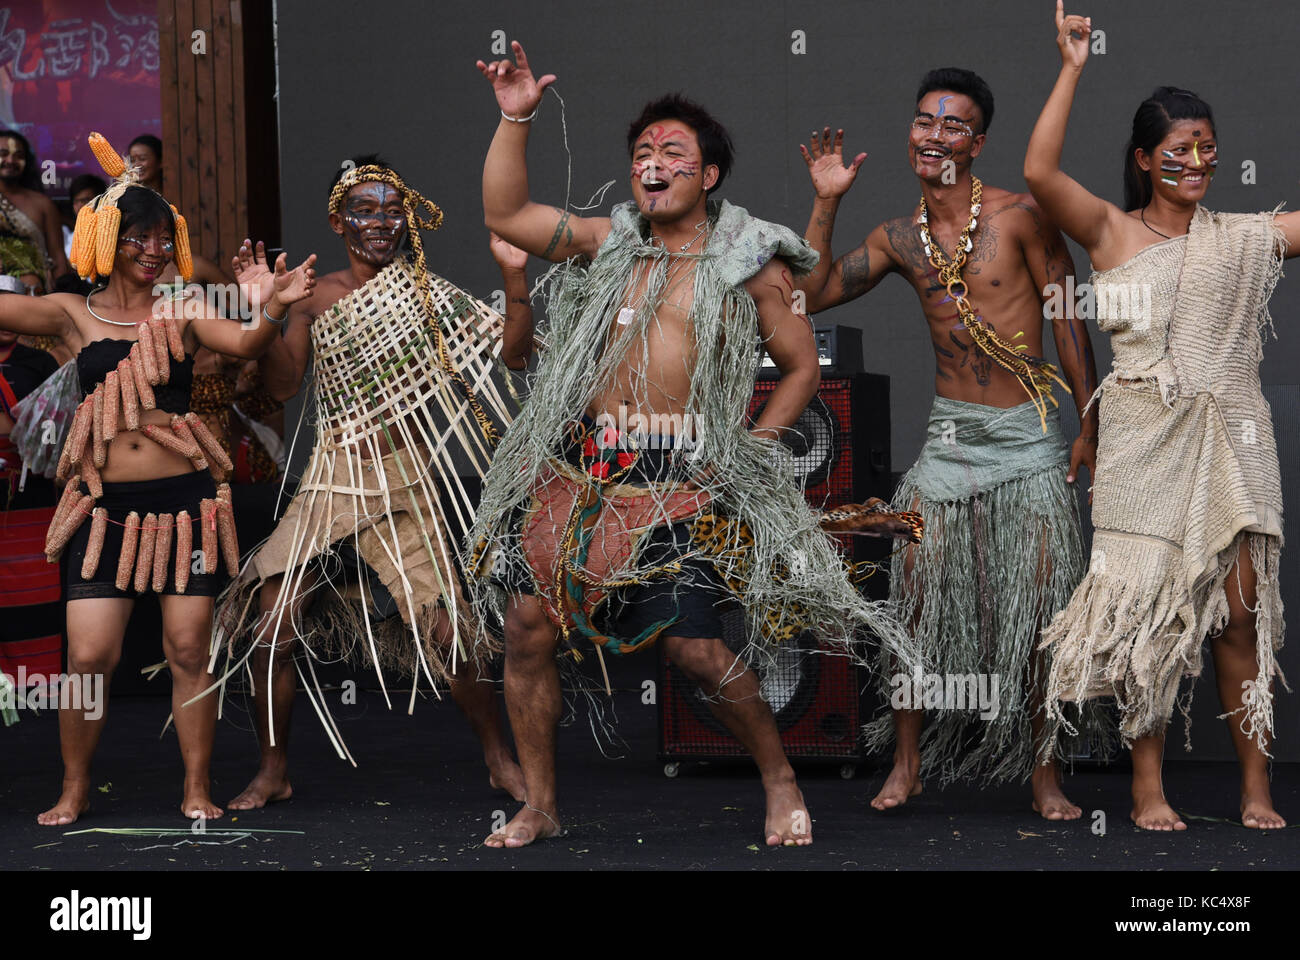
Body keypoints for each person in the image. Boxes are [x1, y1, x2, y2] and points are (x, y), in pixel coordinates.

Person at [471, 42, 916, 849]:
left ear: (708, 175)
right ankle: (540, 803)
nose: (653, 163)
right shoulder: (609, 242)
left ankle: (778, 778)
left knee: (697, 650)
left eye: (673, 152)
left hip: (681, 475)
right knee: (527, 628)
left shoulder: (746, 261)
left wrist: (745, 450)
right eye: (642, 152)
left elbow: (801, 369)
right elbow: (507, 215)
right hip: (584, 468)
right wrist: (516, 116)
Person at [795, 68, 1103, 818]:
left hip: (1026, 435)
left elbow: (1065, 311)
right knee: (915, 601)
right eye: (924, 121)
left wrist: (1090, 419)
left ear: (979, 141)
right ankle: (907, 762)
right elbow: (808, 295)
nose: (935, 135)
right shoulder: (899, 237)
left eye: (954, 124)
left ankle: (1043, 772)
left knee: (1038, 607)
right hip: (949, 439)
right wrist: (826, 202)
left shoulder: (1023, 216)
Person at [1026, 2, 1300, 831]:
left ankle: (1256, 788)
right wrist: (1073, 66)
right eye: (1178, 150)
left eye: (1207, 149)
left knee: (1241, 623)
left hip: (1233, 442)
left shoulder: (1242, 236)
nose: (1195, 162)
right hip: (1143, 448)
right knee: (1147, 616)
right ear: (1145, 159)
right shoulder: (1110, 232)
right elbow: (1040, 174)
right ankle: (1147, 789)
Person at [0, 131, 317, 824]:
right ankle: (74, 787)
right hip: (101, 508)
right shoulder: (70, 314)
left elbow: (247, 343)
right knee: (87, 656)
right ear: (107, 241)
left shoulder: (185, 308)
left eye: (161, 240)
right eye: (137, 240)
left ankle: (196, 787)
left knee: (187, 650)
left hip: (184, 505)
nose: (152, 252)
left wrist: (272, 302)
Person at [213, 155, 526, 810]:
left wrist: (513, 282)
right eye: (364, 210)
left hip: (404, 481)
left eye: (391, 210)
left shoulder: (426, 294)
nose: (381, 223)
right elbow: (281, 386)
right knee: (273, 627)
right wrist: (267, 310)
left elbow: (508, 354)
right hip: (331, 477)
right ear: (337, 222)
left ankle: (500, 758)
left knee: (451, 633)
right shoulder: (315, 294)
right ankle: (274, 770)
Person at [0, 130, 71, 285]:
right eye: (3, 153)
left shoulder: (42, 204)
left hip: (34, 294)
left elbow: (58, 258)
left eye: (18, 156)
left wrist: (60, 296)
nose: (10, 160)